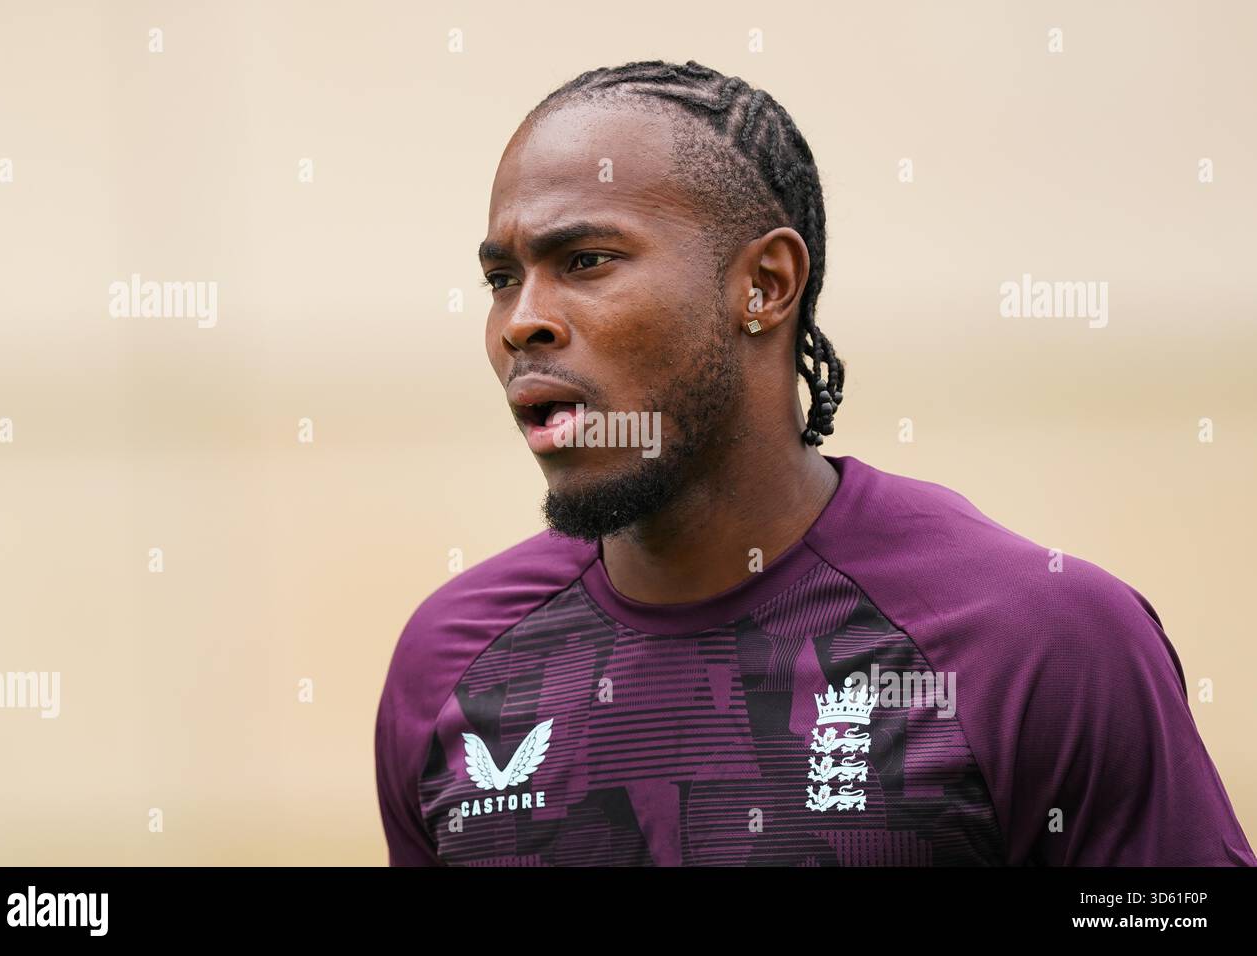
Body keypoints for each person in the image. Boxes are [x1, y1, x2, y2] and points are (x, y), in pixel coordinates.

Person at [375, 60, 1254, 866]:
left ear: (765, 286)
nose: (521, 321)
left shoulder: (1038, 640)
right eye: (501, 279)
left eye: (586, 261)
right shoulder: (448, 664)